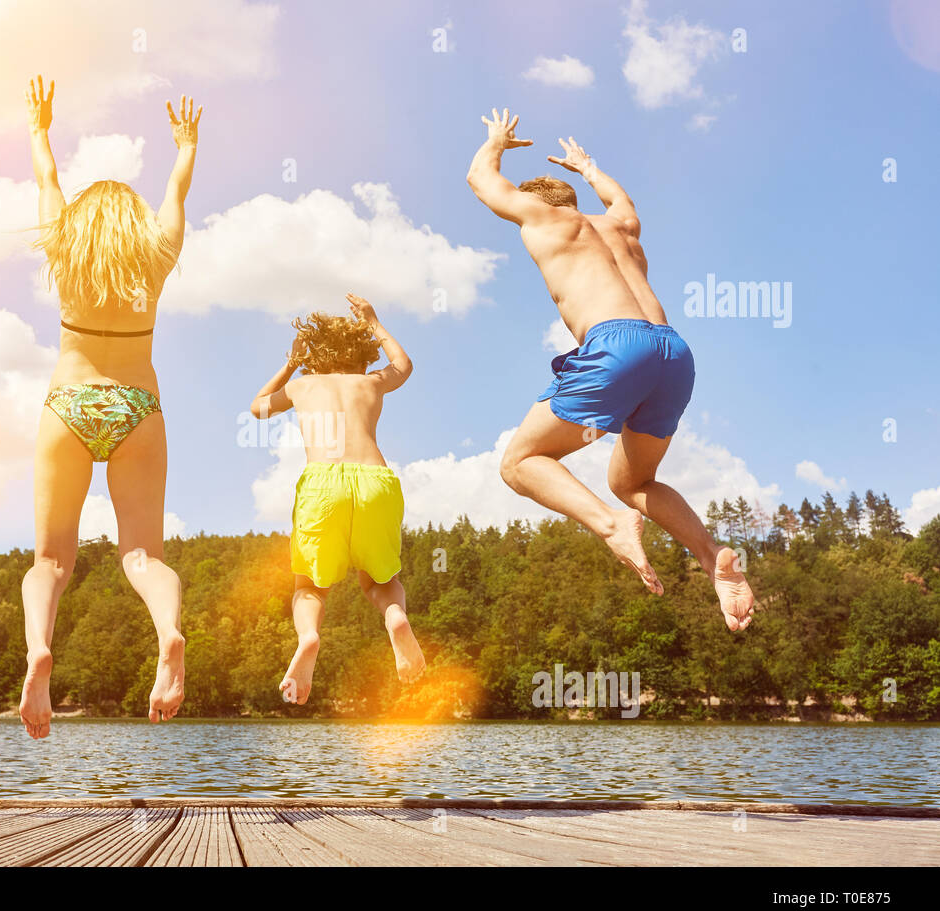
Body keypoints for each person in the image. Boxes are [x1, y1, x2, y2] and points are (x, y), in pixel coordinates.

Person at [466, 108, 754, 631]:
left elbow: (480, 180)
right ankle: (712, 558)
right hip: (673, 353)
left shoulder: (546, 218)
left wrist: (497, 141)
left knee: (520, 462)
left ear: (535, 202)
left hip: (616, 346)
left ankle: (611, 525)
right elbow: (624, 201)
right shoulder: (620, 226)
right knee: (634, 480)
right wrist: (588, 167)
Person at [19, 75, 200, 735]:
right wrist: (184, 147)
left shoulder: (65, 249)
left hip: (68, 401)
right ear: (132, 225)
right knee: (142, 556)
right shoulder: (153, 256)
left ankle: (41, 648)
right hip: (137, 407)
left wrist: (40, 127)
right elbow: (175, 193)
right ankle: (167, 635)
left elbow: (46, 180)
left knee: (50, 561)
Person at [250, 294, 426, 704]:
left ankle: (309, 636)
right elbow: (403, 366)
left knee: (310, 585)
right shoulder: (370, 381)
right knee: (381, 580)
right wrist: (375, 323)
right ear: (362, 354)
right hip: (374, 481)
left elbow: (258, 408)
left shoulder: (302, 384)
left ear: (316, 355)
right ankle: (395, 617)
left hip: (321, 484)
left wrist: (292, 362)